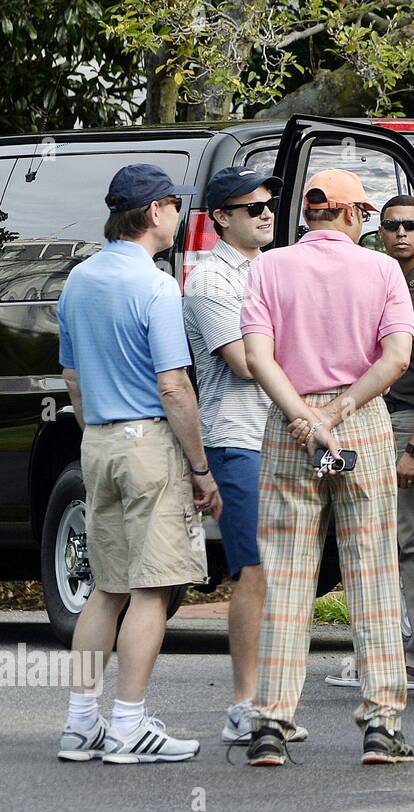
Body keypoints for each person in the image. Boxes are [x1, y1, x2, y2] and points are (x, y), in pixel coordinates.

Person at [240, 168, 414, 766]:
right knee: (372, 570)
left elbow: (258, 357)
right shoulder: (383, 269)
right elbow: (397, 357)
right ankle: (382, 724)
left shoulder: (268, 266)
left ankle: (271, 722)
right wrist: (339, 410)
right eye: (365, 214)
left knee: (288, 576)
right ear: (350, 214)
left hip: (291, 424)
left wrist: (303, 415)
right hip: (360, 418)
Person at [56, 164, 220, 764]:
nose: (179, 217)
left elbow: (71, 377)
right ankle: (128, 726)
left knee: (107, 588)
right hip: (148, 441)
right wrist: (200, 469)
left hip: (96, 439)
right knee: (154, 589)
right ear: (154, 212)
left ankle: (81, 724)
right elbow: (174, 386)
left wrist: (96, 428)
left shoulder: (77, 279)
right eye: (176, 206)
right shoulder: (156, 286)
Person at [184, 166, 308, 746]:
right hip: (238, 438)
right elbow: (243, 361)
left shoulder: (271, 269)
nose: (264, 213)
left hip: (280, 435)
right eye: (250, 207)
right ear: (221, 219)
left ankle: (273, 701)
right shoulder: (210, 280)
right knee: (253, 571)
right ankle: (244, 703)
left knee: (283, 573)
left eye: (267, 205)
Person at [325, 194, 414, 690]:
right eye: (390, 225)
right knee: (384, 542)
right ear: (378, 232)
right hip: (385, 418)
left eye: (410, 225)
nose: (400, 233)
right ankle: (392, 653)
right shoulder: (389, 278)